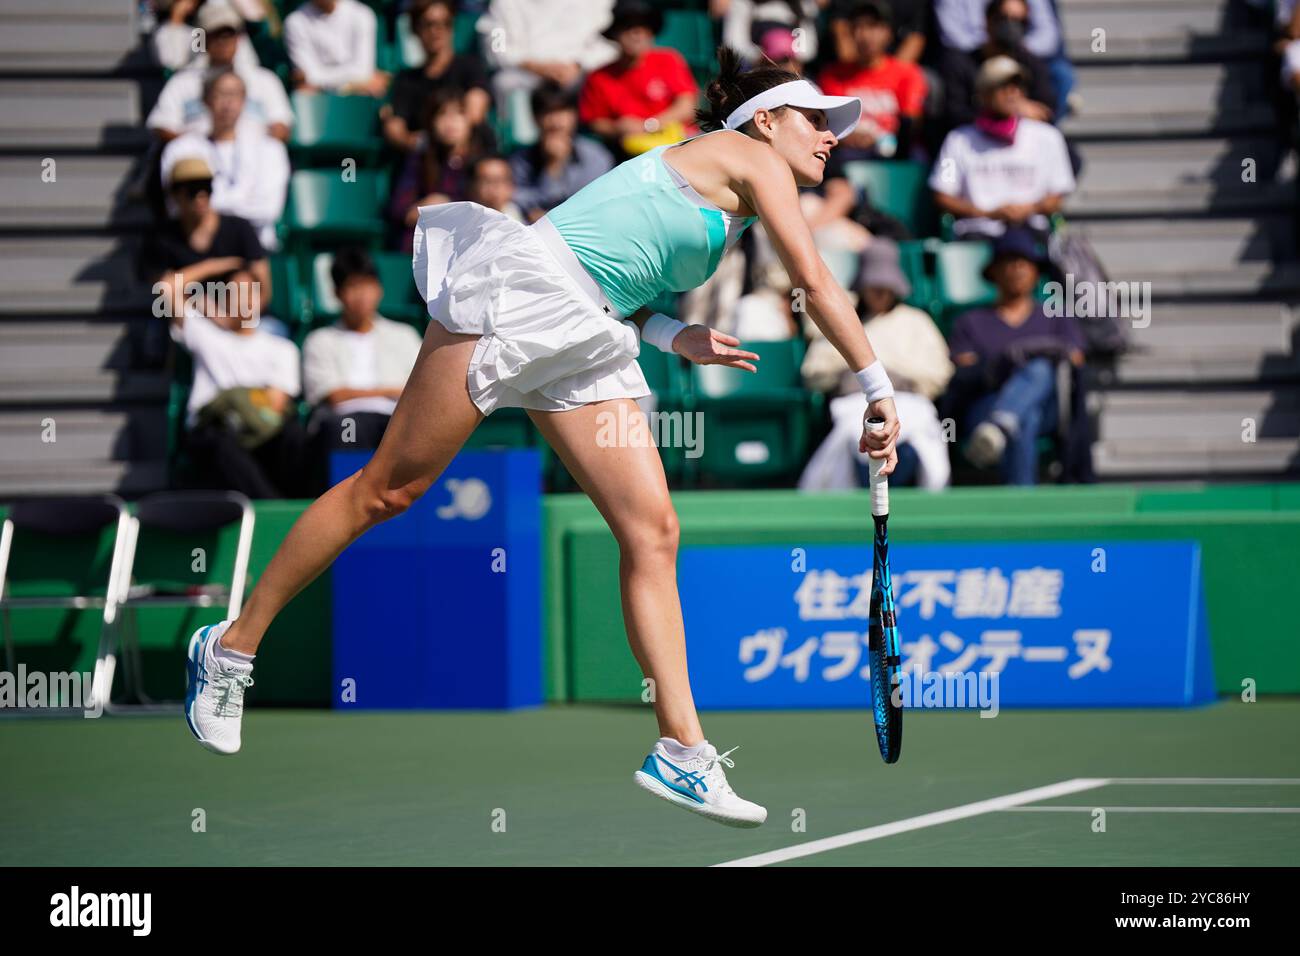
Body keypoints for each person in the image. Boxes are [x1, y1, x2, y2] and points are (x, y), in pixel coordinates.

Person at [181, 49, 901, 830]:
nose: (830, 136)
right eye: (815, 119)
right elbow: (817, 282)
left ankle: (683, 752)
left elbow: (611, 263)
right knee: (389, 489)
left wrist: (670, 334)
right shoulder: (750, 158)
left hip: (587, 337)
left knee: (653, 531)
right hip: (521, 294)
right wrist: (877, 385)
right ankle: (231, 647)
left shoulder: (736, 192)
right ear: (765, 120)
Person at [800, 238, 953, 490]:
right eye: (874, 285)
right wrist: (859, 371)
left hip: (910, 405)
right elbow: (813, 373)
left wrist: (892, 371)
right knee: (858, 441)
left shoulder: (917, 322)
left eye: (886, 286)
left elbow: (940, 374)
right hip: (855, 407)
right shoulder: (843, 322)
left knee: (921, 444)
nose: (880, 292)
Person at [945, 228, 1085, 485]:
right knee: (1024, 418)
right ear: (994, 272)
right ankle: (1022, 504)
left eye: (1024, 262)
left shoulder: (1057, 317)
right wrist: (1007, 363)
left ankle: (1000, 424)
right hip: (985, 405)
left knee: (1040, 370)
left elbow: (1076, 359)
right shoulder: (971, 322)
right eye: (1009, 262)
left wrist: (1025, 361)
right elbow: (964, 370)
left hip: (1049, 408)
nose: (1017, 269)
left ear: (1035, 272)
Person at [161, 267, 309, 499]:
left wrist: (241, 404)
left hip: (260, 430)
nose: (243, 298)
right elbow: (168, 287)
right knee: (222, 446)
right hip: (215, 430)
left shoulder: (282, 346)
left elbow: (276, 404)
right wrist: (221, 263)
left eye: (250, 291)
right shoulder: (204, 333)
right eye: (234, 291)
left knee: (294, 436)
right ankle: (273, 512)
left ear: (262, 299)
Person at [929, 56, 1074, 240]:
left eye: (1016, 86)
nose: (1011, 93)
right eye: (1002, 87)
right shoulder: (958, 140)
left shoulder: (1048, 137)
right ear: (983, 94)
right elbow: (943, 195)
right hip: (978, 232)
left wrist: (1028, 209)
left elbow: (1056, 195)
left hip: (1030, 231)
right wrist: (986, 213)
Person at [303, 247, 423, 453]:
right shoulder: (320, 340)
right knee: (349, 429)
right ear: (337, 293)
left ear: (379, 289)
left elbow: (420, 390)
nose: (361, 295)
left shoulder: (404, 336)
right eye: (353, 286)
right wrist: (389, 391)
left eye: (367, 285)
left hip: (394, 419)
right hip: (345, 420)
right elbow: (333, 395)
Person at [160, 67, 291, 251]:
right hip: (197, 249)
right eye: (220, 94)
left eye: (235, 95)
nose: (228, 103)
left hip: (255, 249)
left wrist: (212, 210)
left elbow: (268, 209)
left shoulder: (271, 149)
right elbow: (176, 206)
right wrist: (241, 202)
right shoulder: (180, 149)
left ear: (245, 101)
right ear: (205, 100)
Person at [146, 2, 293, 142]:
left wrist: (255, 151)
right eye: (216, 34)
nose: (223, 41)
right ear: (202, 39)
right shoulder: (182, 82)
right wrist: (196, 147)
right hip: (200, 160)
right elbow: (162, 125)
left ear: (239, 38)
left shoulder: (265, 80)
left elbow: (281, 126)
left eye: (229, 34)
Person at [579, 1, 699, 155]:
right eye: (627, 26)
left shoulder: (669, 59)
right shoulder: (599, 77)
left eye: (643, 26)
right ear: (615, 33)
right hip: (626, 151)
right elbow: (595, 122)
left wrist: (650, 125)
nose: (636, 33)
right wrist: (616, 128)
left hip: (677, 143)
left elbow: (687, 106)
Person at [817, 0, 927, 160]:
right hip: (846, 153)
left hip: (894, 152)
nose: (867, 35)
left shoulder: (907, 73)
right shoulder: (833, 75)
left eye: (874, 26)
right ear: (851, 32)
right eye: (859, 26)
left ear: (889, 33)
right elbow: (828, 124)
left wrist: (882, 137)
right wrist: (847, 138)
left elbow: (911, 123)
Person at [388, 89, 494, 251]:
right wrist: (424, 209)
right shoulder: (419, 160)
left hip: (470, 246)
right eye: (442, 114)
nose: (450, 122)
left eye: (459, 114)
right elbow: (399, 209)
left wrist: (446, 207)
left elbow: (490, 209)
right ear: (431, 121)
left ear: (470, 121)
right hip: (425, 246)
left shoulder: (482, 163)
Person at [382, 0, 491, 153]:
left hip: (467, 158)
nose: (436, 30)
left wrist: (440, 136)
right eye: (428, 24)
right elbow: (395, 127)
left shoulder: (471, 67)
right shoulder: (406, 79)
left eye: (445, 23)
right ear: (415, 29)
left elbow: (475, 112)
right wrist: (414, 142)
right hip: (427, 163)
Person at [940, 0, 1057, 130]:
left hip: (1024, 140)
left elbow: (1046, 112)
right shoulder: (960, 64)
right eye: (1003, 18)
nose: (1011, 26)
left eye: (1019, 21)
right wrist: (999, 111)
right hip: (976, 142)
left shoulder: (1033, 64)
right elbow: (954, 114)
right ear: (988, 20)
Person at [509, 83, 614, 222]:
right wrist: (552, 167)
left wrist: (550, 217)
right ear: (535, 118)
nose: (556, 122)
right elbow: (515, 198)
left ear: (575, 115)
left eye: (562, 112)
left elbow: (593, 201)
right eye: (548, 113)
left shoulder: (596, 156)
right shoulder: (520, 159)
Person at [283, 0, 388, 96]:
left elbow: (363, 71)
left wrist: (320, 81)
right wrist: (354, 85)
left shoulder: (362, 14)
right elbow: (309, 76)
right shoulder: (294, 22)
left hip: (357, 97)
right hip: (320, 101)